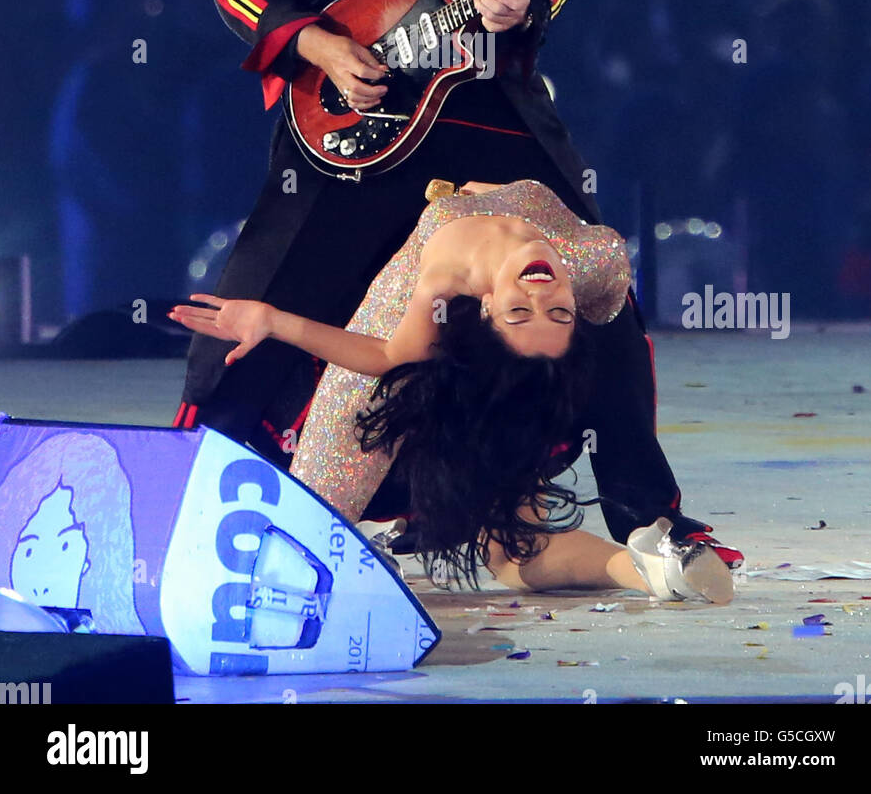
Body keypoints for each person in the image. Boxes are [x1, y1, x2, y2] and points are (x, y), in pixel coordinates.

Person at [174, 0, 739, 565]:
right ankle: (206, 499)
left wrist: (524, 3)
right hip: (348, 96)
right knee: (266, 293)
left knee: (599, 296)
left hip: (480, 87)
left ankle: (653, 519)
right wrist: (315, 41)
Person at [171, 180, 734, 601]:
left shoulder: (446, 280)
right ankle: (643, 569)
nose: (541, 293)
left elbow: (389, 357)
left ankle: (649, 571)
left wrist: (271, 320)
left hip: (390, 339)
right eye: (549, 309)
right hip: (427, 340)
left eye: (534, 311)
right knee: (322, 527)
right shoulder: (599, 262)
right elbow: (398, 356)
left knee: (320, 538)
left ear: (487, 308)